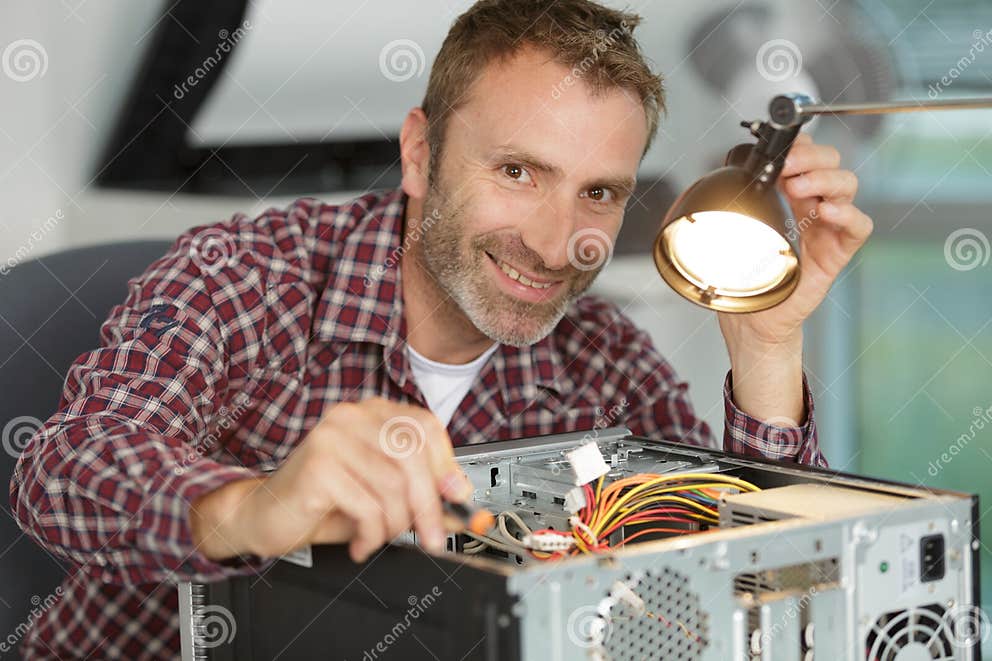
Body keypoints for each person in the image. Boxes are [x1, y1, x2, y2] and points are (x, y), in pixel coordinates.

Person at [10, 0, 871, 657]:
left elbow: (749, 593)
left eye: (598, 191)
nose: (552, 240)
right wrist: (256, 506)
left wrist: (767, 347)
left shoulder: (604, 356)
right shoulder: (244, 276)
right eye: (518, 170)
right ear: (420, 154)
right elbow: (65, 469)